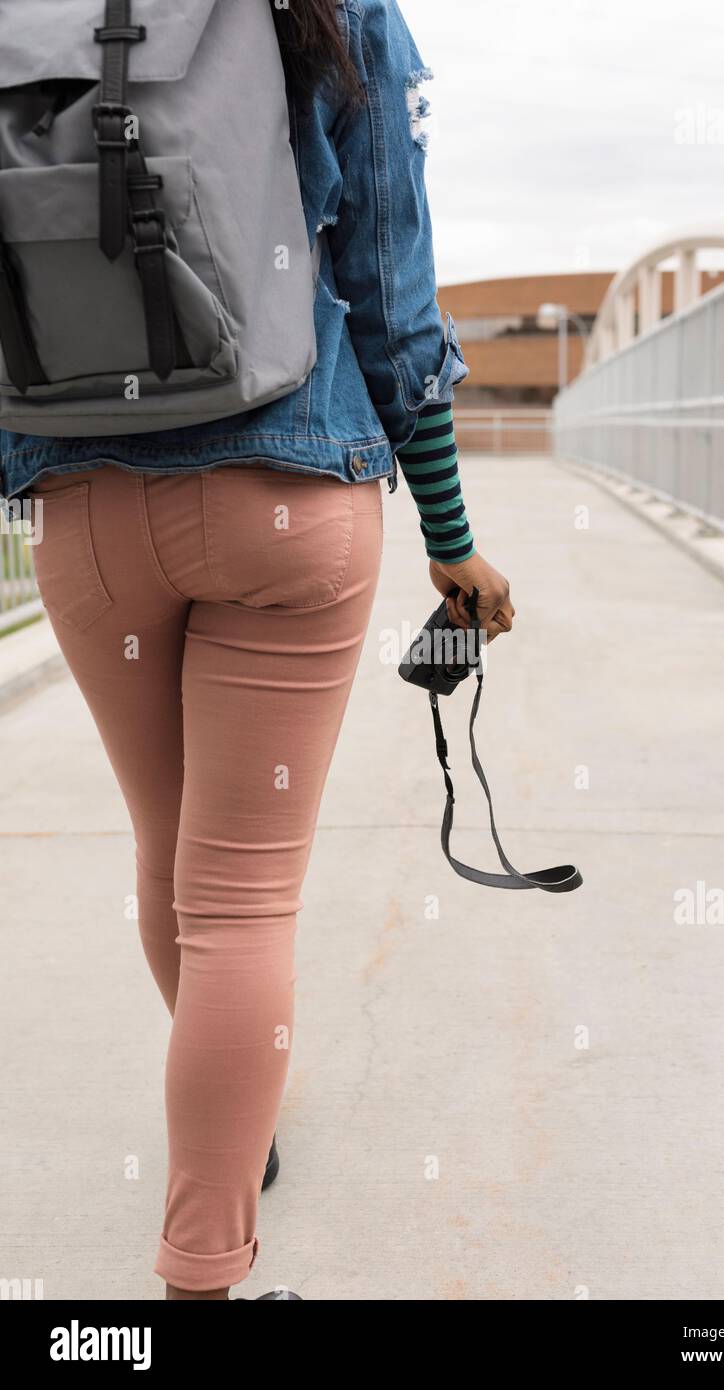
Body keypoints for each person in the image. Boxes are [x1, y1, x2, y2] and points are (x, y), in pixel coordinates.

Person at [0, 0, 513, 1300]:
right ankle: (202, 1279)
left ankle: (226, 1131)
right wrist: (450, 540)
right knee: (239, 900)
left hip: (81, 505)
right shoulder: (337, 11)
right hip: (287, 488)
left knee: (171, 859)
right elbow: (392, 294)